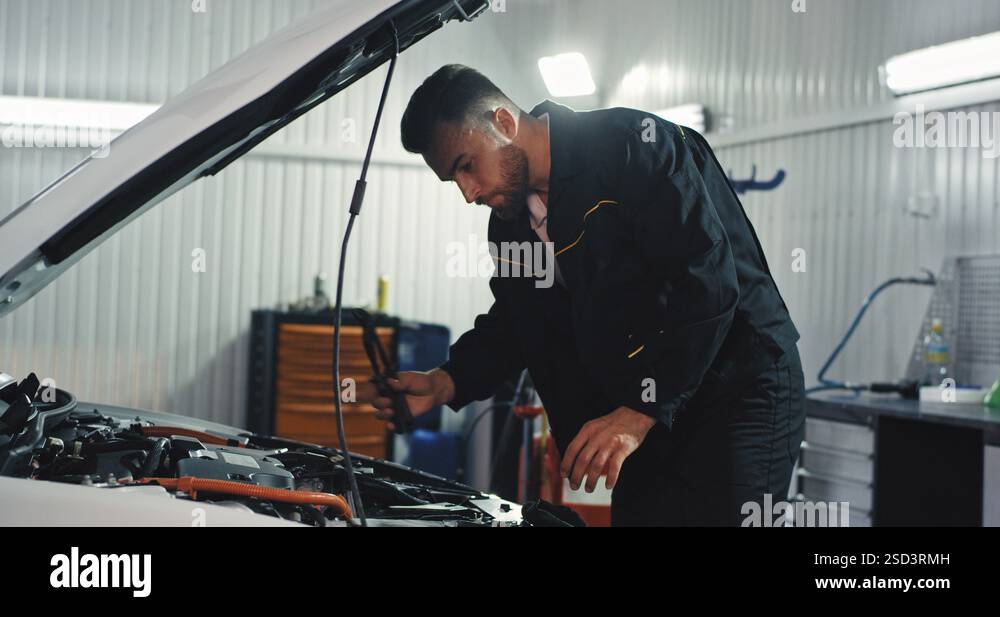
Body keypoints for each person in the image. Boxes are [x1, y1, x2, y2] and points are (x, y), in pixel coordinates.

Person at [360, 64, 805, 526]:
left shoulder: (633, 147)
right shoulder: (511, 224)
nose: (468, 194)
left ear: (503, 123)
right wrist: (445, 381)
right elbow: (519, 320)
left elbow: (706, 283)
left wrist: (637, 414)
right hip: (650, 408)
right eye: (454, 181)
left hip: (739, 385)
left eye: (467, 167)